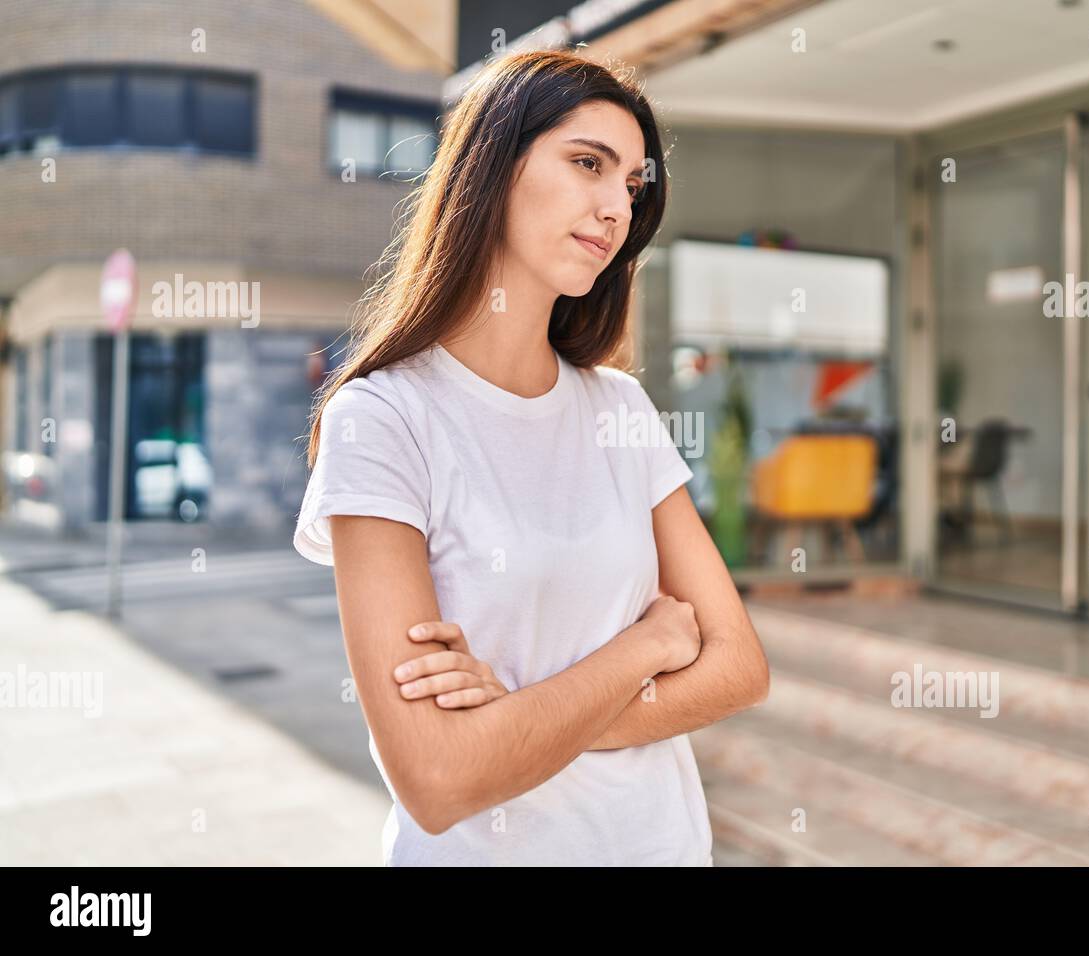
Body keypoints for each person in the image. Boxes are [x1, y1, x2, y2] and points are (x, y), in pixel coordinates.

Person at [293, 49, 769, 866]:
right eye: (588, 163)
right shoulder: (384, 419)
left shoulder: (618, 408)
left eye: (631, 186)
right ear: (492, 167)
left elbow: (738, 667)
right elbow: (439, 779)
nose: (616, 206)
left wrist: (511, 721)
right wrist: (645, 649)